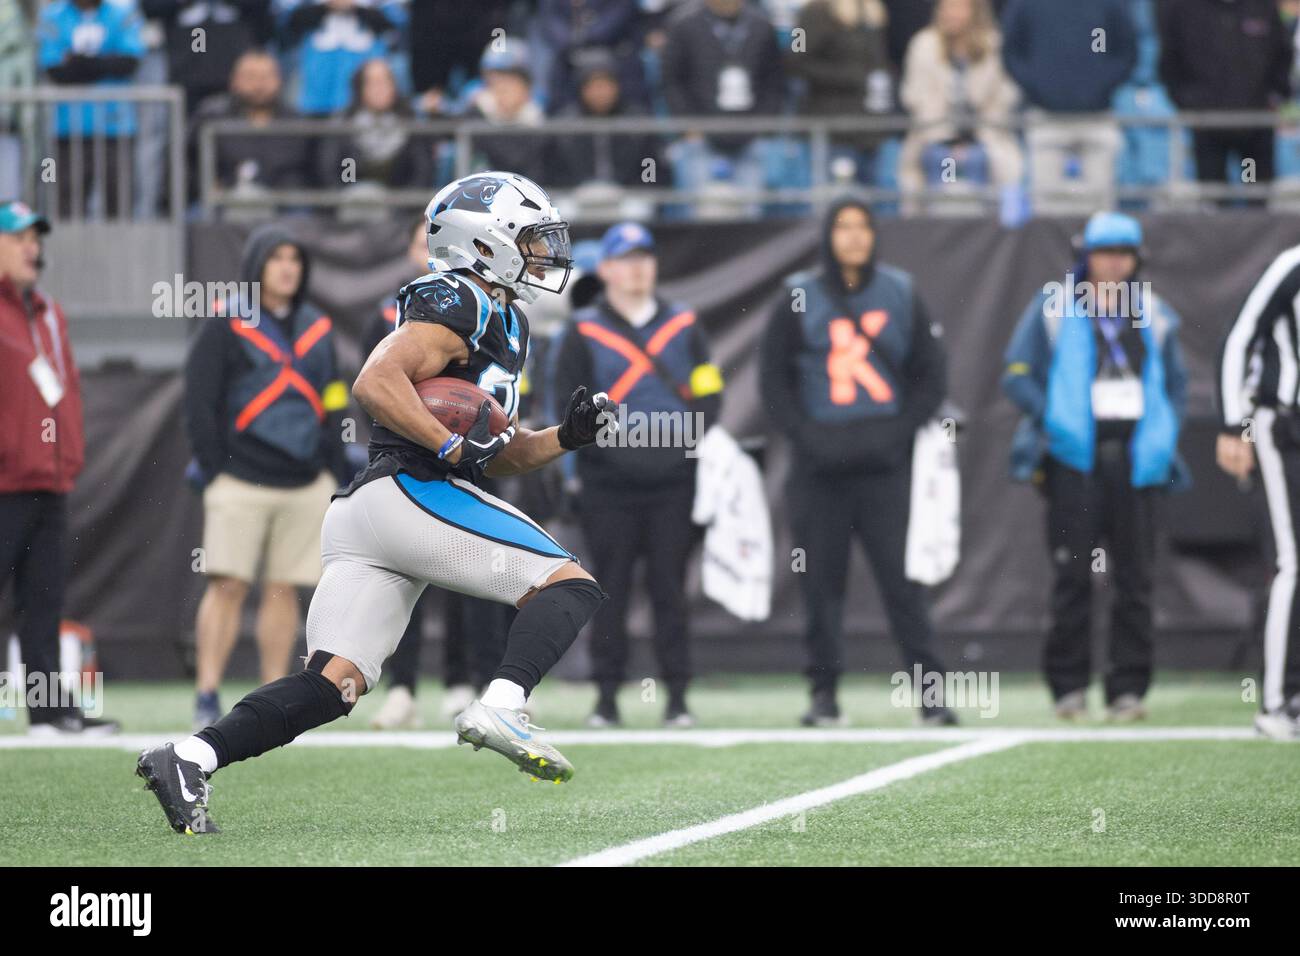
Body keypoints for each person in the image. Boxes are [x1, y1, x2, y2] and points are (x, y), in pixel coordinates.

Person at [138, 172, 616, 834]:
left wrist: (564, 439)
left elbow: (498, 451)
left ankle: (190, 756)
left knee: (333, 685)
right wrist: (449, 449)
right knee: (570, 585)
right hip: (410, 490)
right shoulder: (464, 301)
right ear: (485, 244)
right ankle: (503, 703)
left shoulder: (502, 318)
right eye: (530, 239)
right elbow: (376, 379)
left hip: (372, 511)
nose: (543, 255)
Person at [759, 197, 955, 727]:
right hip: (819, 466)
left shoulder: (901, 292)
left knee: (904, 583)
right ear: (828, 235)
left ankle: (932, 696)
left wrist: (896, 432)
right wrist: (806, 436)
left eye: (862, 227)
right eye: (842, 226)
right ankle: (824, 696)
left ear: (874, 234)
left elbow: (931, 377)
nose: (852, 236)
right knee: (820, 586)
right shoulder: (799, 296)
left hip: (884, 464)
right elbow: (772, 380)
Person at [1003, 212, 1187, 722]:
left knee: (1136, 579)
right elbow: (1017, 374)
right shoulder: (1053, 307)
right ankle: (1068, 687)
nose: (1113, 263)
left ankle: (1128, 689)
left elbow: (1175, 384)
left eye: (1123, 253)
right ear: (1086, 257)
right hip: (1073, 461)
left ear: (1136, 259)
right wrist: (1054, 420)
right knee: (1072, 576)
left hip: (1136, 462)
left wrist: (1163, 434)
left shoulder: (1154, 311)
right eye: (1104, 252)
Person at [551, 222, 723, 728]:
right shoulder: (581, 330)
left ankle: (677, 699)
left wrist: (679, 446)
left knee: (671, 591)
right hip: (608, 484)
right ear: (604, 269)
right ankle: (606, 699)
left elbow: (710, 394)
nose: (637, 267)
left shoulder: (685, 325)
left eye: (644, 256)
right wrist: (592, 462)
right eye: (625, 258)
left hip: (674, 483)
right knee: (610, 593)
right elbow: (569, 405)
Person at [182, 225, 354, 730]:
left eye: (295, 259)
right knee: (228, 584)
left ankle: (269, 698)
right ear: (256, 265)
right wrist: (215, 467)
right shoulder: (226, 323)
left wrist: (330, 460)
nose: (287, 267)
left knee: (285, 590)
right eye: (276, 257)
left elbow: (334, 398)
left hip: (304, 482)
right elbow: (198, 400)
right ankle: (207, 692)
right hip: (239, 479)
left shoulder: (317, 328)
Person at [361, 221, 512, 729]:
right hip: (417, 460)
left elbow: (497, 397)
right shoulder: (398, 314)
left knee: (475, 579)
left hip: (473, 457)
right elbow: (375, 383)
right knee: (408, 582)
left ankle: (466, 681)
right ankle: (402, 686)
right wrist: (440, 438)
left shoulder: (494, 316)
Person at [0, 200, 117, 735]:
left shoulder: (48, 311)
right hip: (4, 482)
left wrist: (66, 456)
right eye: (19, 236)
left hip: (47, 481)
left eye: (36, 238)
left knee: (44, 603)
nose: (33, 247)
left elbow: (63, 389)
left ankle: (49, 712)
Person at [1216, 241, 1300, 740]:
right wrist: (1233, 424)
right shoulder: (1292, 265)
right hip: (1285, 428)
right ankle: (1276, 701)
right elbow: (1240, 337)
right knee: (1293, 560)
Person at [1000, 0, 1136, 214]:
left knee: (1100, 208)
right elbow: (1011, 52)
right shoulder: (1024, 5)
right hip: (1044, 117)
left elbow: (1127, 51)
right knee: (1045, 207)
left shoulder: (1111, 5)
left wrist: (1099, 88)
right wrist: (1040, 88)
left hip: (1098, 117)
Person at [1158, 0, 1291, 197]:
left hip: (1255, 126)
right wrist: (1190, 102)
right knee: (1214, 201)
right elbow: (1170, 62)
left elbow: (1282, 54)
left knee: (1256, 196)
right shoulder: (1185, 9)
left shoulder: (1261, 7)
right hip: (1207, 125)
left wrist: (1274, 97)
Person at [898, 0, 1022, 205]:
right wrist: (951, 141)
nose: (951, 13)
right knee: (946, 163)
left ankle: (988, 228)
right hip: (937, 140)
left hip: (985, 138)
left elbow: (1004, 98)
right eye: (946, 7)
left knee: (979, 160)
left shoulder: (994, 45)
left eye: (958, 7)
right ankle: (942, 225)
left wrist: (973, 138)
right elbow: (916, 98)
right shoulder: (924, 45)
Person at [660, 0, 787, 196]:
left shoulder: (761, 25)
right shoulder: (684, 24)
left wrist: (764, 124)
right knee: (701, 210)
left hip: (750, 135)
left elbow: (774, 81)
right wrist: (689, 125)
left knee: (750, 213)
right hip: (701, 135)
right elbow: (672, 80)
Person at [36, 0, 144, 219]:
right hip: (69, 128)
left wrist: (79, 61)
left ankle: (117, 253)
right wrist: (104, 61)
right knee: (66, 207)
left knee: (121, 207)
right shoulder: (52, 15)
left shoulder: (123, 13)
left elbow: (129, 63)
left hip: (116, 127)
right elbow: (55, 70)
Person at [785, 0, 893, 186]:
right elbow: (795, 60)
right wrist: (846, 77)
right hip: (832, 128)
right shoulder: (812, 12)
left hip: (871, 128)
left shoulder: (872, 12)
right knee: (836, 201)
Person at [191, 49, 314, 199]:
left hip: (286, 207)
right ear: (234, 80)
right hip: (224, 204)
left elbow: (314, 174)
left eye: (266, 77)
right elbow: (188, 166)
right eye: (250, 77)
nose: (258, 85)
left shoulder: (300, 124)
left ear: (279, 80)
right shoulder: (211, 119)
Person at [317, 58, 436, 193]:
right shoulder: (343, 125)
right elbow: (332, 171)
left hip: (401, 206)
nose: (380, 88)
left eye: (386, 81)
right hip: (351, 206)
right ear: (360, 87)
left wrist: (402, 206)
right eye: (373, 82)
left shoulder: (411, 123)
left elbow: (422, 173)